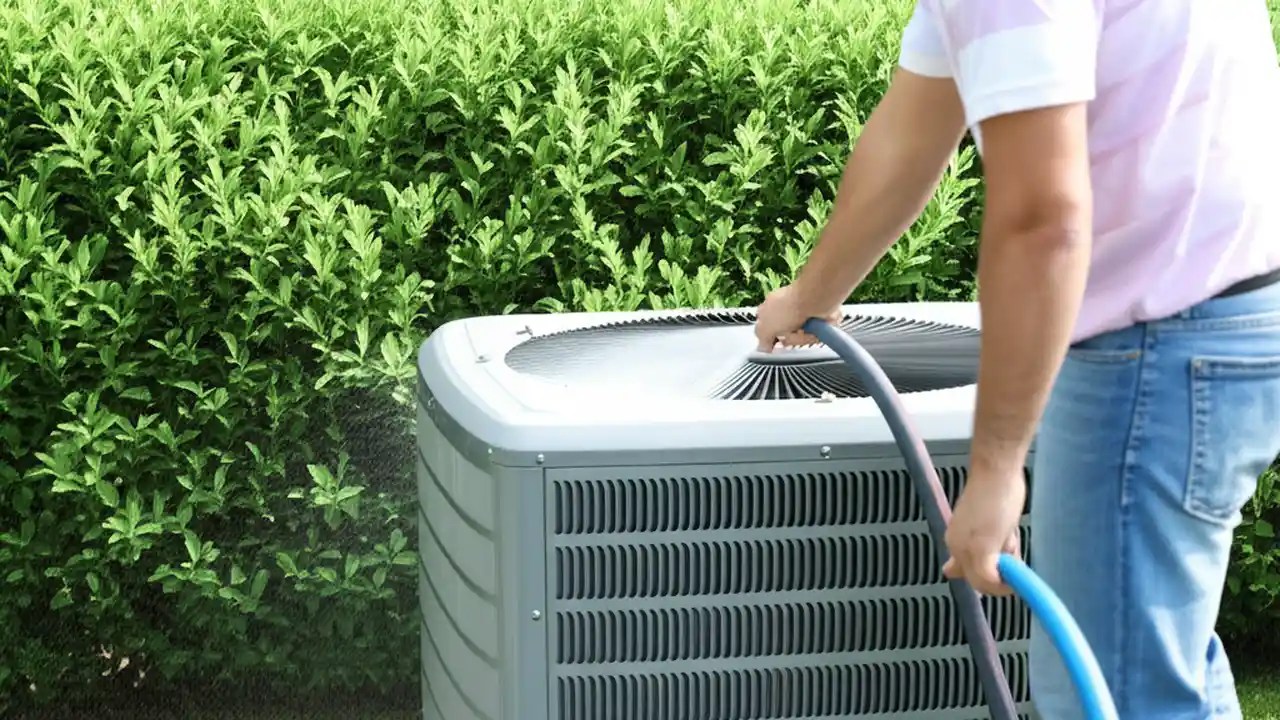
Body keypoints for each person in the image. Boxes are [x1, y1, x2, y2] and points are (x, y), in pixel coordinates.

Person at [753, 1, 1280, 717]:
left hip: (1158, 343)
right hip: (1222, 314)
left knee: (1112, 692)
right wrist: (812, 293)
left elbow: (1043, 220)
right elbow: (912, 135)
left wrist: (996, 469)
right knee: (1156, 668)